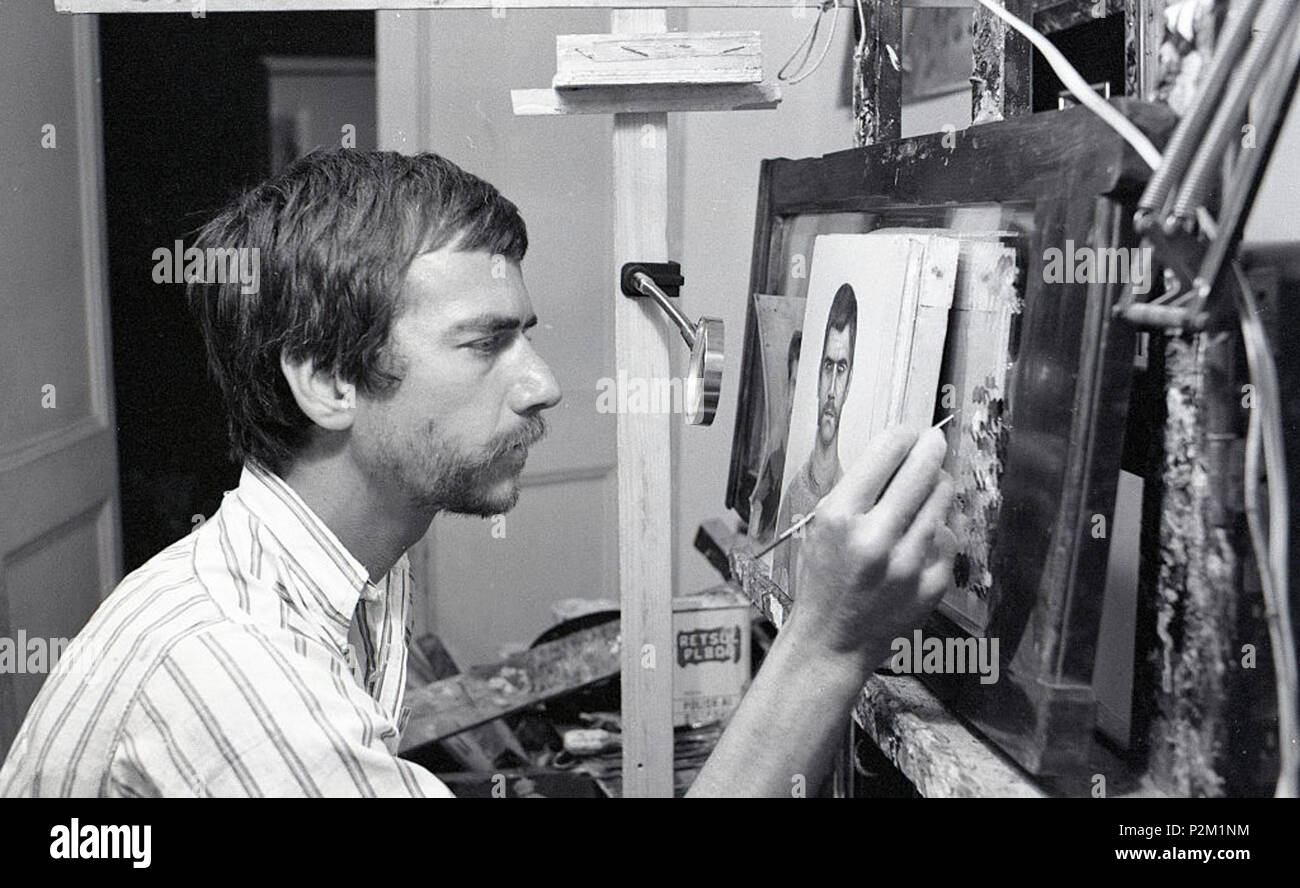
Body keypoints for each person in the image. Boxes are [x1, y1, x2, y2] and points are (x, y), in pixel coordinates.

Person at [0, 150, 953, 798]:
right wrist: (828, 639)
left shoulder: (347, 566)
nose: (541, 386)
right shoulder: (226, 676)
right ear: (328, 379)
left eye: (524, 337)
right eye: (484, 344)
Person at [774, 283, 857, 601]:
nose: (832, 388)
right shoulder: (793, 497)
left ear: (849, 382)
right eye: (827, 366)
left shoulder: (853, 503)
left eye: (842, 368)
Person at [751, 330, 801, 543]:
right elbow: (758, 538)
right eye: (793, 384)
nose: (793, 403)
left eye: (803, 390)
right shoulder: (776, 460)